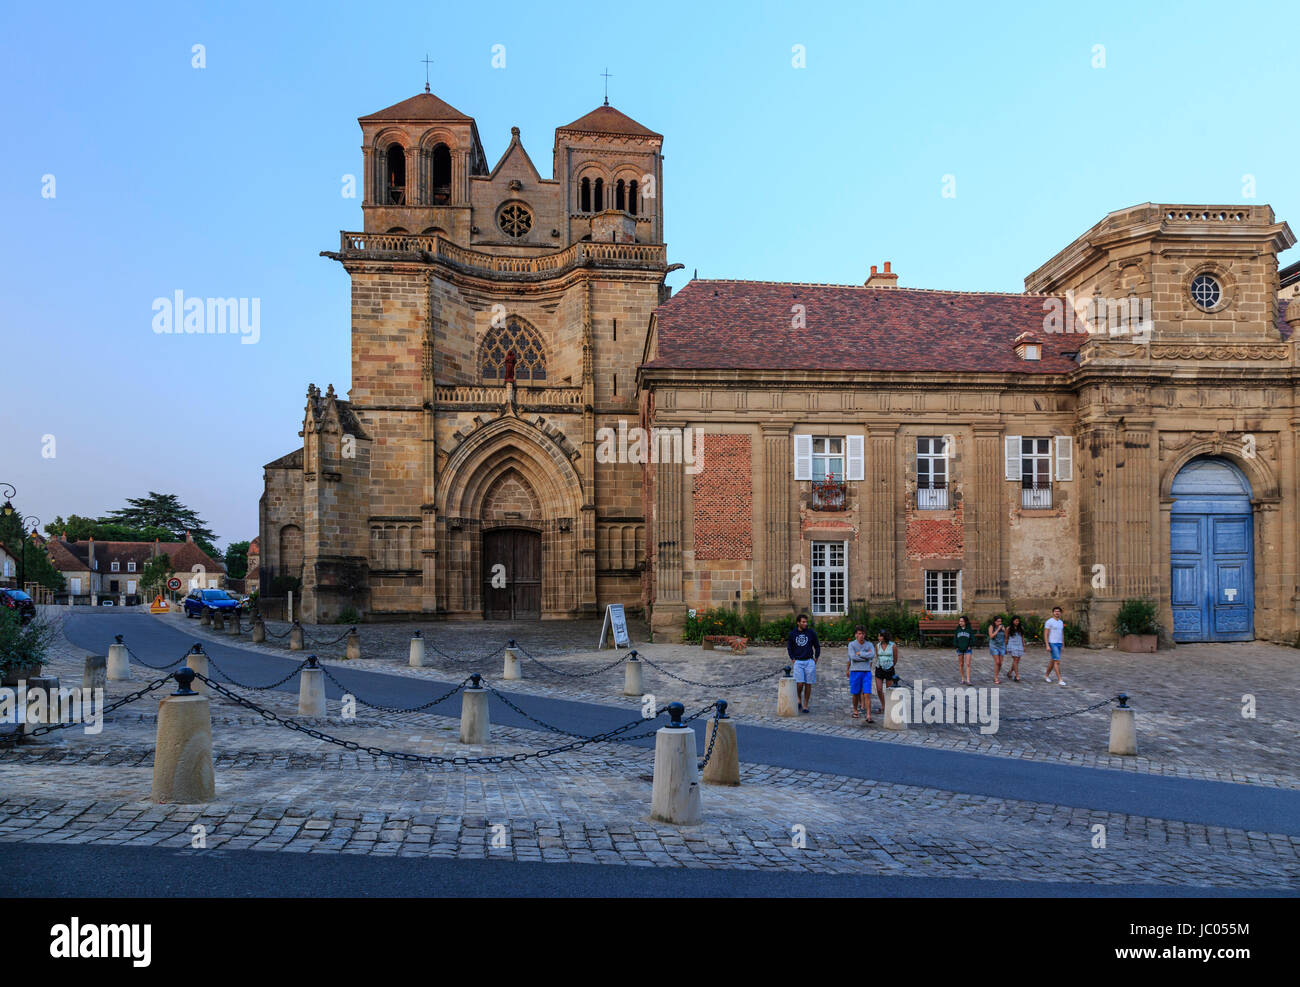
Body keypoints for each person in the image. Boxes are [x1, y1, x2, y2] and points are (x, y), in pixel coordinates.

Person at [786, 613, 821, 713]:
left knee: (808, 684)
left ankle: (805, 705)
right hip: (798, 662)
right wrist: (792, 658)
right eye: (803, 622)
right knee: (800, 683)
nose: (805, 623)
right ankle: (798, 699)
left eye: (806, 622)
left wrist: (816, 658)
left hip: (809, 661)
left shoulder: (811, 633)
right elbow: (789, 647)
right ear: (798, 623)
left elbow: (817, 646)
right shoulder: (793, 634)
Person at [846, 625, 874, 722]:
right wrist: (866, 656)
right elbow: (853, 657)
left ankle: (868, 715)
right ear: (855, 635)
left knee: (867, 693)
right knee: (855, 693)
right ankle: (855, 710)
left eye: (862, 633)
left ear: (865, 634)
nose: (861, 635)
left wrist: (860, 653)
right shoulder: (851, 645)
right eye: (859, 633)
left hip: (866, 671)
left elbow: (872, 655)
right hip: (855, 671)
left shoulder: (869, 644)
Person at [873, 629, 899, 714]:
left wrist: (890, 666)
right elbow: (878, 657)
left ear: (884, 637)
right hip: (879, 669)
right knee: (879, 689)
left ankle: (888, 706)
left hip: (889, 669)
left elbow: (895, 659)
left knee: (889, 690)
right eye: (878, 636)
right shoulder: (877, 646)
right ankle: (883, 705)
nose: (878, 637)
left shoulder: (893, 646)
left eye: (880, 636)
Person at [1044, 606, 1066, 684]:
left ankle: (1046, 675)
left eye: (1058, 611)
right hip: (1052, 643)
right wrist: (1047, 645)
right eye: (1055, 611)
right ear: (1053, 612)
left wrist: (1063, 644)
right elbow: (1046, 634)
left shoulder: (1061, 622)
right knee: (1057, 661)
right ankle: (1060, 679)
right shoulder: (1049, 622)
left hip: (1059, 643)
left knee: (1053, 661)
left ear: (1060, 613)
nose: (1057, 612)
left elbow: (1062, 634)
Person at [954, 615, 974, 685]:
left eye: (962, 621)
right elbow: (955, 638)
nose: (960, 622)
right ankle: (962, 679)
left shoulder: (969, 629)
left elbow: (972, 638)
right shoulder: (957, 629)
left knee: (968, 664)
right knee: (961, 664)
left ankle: (968, 680)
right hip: (960, 648)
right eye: (959, 621)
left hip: (967, 648)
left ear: (965, 622)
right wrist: (956, 646)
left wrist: (970, 645)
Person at [987, 615, 1007, 684]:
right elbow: (991, 636)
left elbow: (1006, 637)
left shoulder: (1002, 627)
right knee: (997, 662)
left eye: (1000, 621)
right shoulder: (991, 627)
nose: (1000, 623)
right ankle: (996, 677)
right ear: (995, 622)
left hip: (1001, 646)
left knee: (1000, 663)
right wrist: (998, 629)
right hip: (994, 646)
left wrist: (1005, 631)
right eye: (998, 621)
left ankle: (996, 676)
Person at [1005, 616, 1025, 682]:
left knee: (1017, 661)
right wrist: (1005, 647)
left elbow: (1022, 638)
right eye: (1016, 621)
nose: (1017, 622)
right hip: (1012, 645)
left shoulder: (1021, 628)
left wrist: (1024, 646)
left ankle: (1010, 672)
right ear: (1013, 621)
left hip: (1019, 645)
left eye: (1018, 621)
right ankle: (1017, 676)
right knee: (1015, 660)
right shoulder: (1008, 628)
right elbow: (1006, 638)